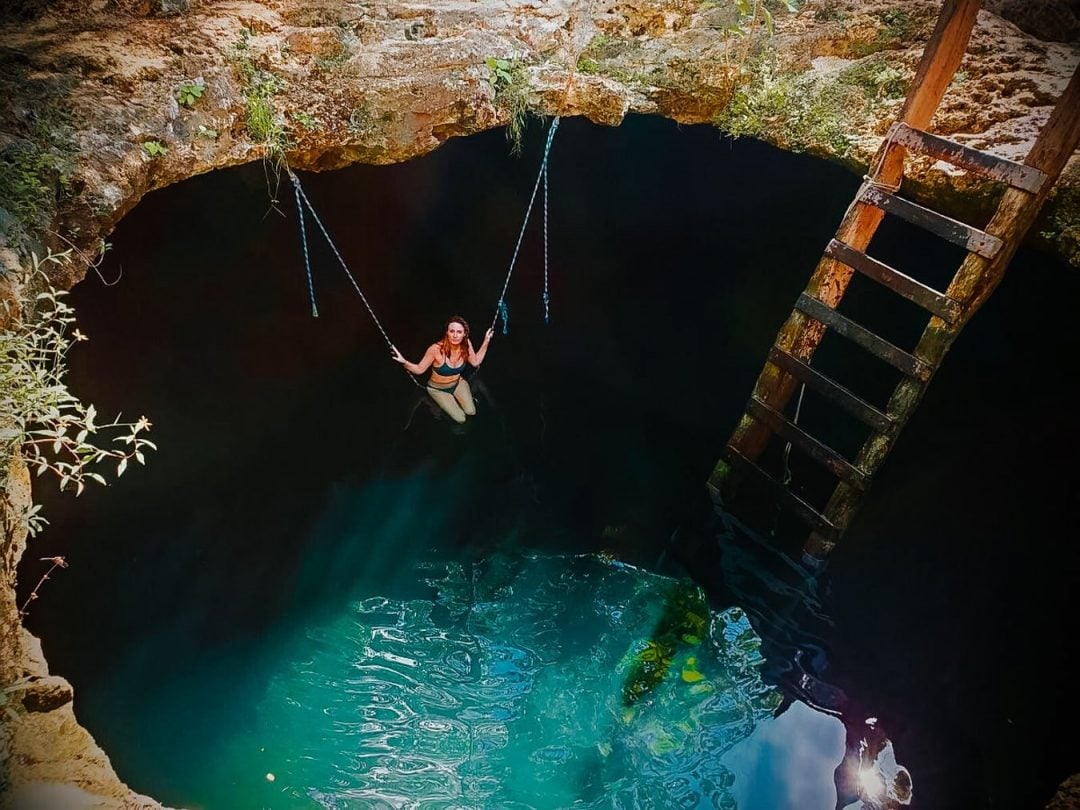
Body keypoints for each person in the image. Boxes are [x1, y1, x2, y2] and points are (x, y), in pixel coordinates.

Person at [391, 316, 494, 424]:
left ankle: (459, 401)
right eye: (452, 331)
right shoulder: (435, 349)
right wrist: (404, 362)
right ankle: (441, 406)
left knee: (471, 412)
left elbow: (475, 362)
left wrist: (486, 340)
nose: (455, 335)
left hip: (457, 384)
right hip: (438, 389)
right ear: (447, 332)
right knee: (461, 419)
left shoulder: (466, 344)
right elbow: (419, 369)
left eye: (459, 332)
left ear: (464, 334)